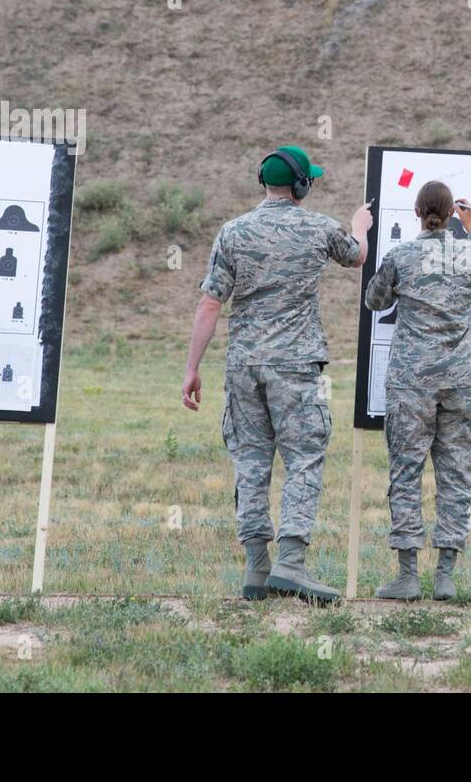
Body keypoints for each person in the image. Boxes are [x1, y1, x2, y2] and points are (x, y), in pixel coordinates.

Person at [182, 145, 372, 604]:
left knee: (250, 462)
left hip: (243, 365)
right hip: (296, 363)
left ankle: (256, 568)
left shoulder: (233, 232)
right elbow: (357, 258)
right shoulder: (319, 227)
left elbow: (210, 303)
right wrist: (360, 228)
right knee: (304, 457)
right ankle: (291, 563)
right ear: (302, 185)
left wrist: (192, 368)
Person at [364, 180, 471, 600]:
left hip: (411, 381)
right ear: (449, 215)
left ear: (415, 213)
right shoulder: (467, 252)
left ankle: (407, 576)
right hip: (462, 379)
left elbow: (374, 301)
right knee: (456, 475)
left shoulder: (401, 256)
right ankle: (445, 575)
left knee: (406, 472)